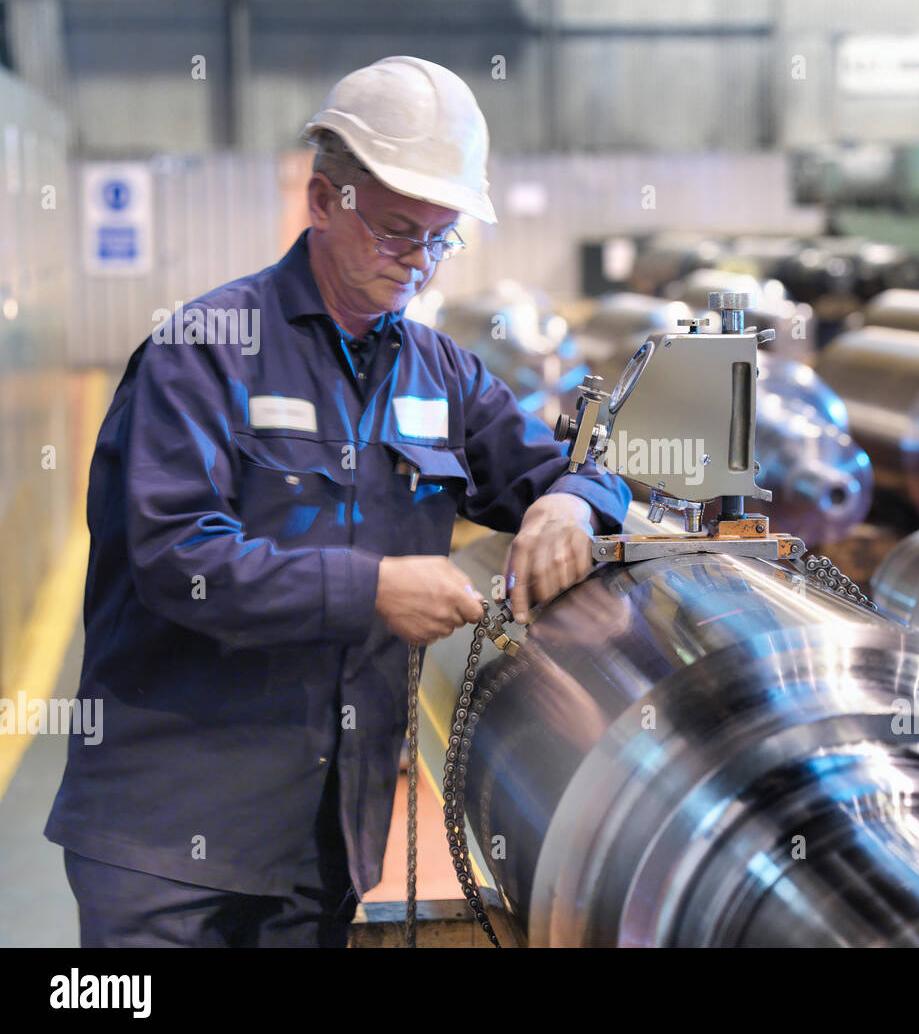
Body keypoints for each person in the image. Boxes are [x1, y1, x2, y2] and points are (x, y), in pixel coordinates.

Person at [44, 56, 631, 947]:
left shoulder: (439, 372)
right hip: (167, 846)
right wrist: (373, 589)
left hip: (321, 844)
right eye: (399, 232)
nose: (422, 264)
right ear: (324, 202)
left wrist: (575, 502)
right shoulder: (204, 353)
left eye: (443, 240)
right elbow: (177, 558)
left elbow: (557, 467)